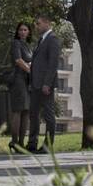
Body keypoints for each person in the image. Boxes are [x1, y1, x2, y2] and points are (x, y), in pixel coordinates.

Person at [26, 14, 60, 153]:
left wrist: (47, 83)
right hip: (35, 84)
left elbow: (53, 63)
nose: (36, 26)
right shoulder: (40, 40)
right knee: (33, 115)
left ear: (47, 23)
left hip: (45, 85)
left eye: (38, 23)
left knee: (48, 116)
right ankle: (32, 145)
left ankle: (47, 146)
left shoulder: (53, 39)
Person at [7, 22, 32, 153]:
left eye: (25, 30)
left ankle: (21, 143)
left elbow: (29, 60)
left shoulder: (27, 46)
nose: (23, 32)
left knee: (26, 112)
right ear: (17, 32)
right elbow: (18, 60)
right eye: (21, 30)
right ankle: (14, 141)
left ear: (28, 32)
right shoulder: (16, 43)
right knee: (18, 111)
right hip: (18, 80)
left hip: (27, 82)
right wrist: (30, 70)